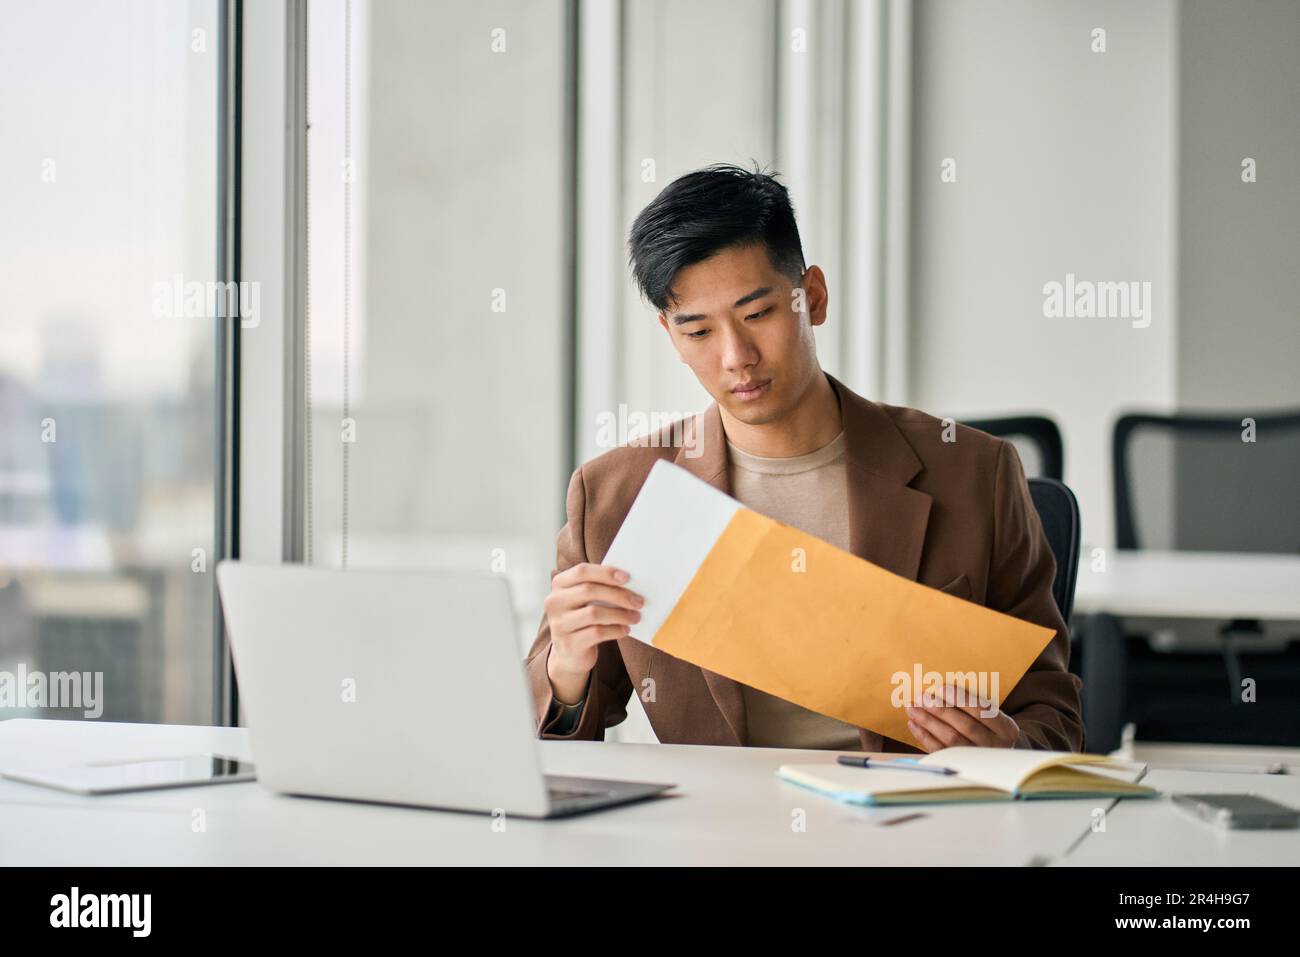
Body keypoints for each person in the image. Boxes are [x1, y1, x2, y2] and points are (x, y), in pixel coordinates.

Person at [525, 163, 1084, 752]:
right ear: (670, 335)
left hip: (915, 824)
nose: (736, 356)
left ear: (811, 297)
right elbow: (558, 743)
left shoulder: (975, 473)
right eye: (699, 333)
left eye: (758, 314)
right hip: (717, 830)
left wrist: (1009, 748)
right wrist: (565, 672)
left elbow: (1054, 713)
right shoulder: (617, 494)